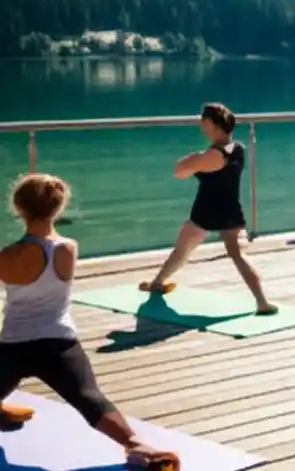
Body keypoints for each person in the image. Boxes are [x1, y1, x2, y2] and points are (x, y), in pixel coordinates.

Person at [1, 174, 180, 469]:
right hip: (59, 341)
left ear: (18, 208)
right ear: (57, 209)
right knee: (90, 398)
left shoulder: (9, 255)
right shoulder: (68, 248)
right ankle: (138, 446)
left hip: (13, 347)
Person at [140, 104, 276, 315]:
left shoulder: (211, 155)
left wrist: (192, 158)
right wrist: (197, 159)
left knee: (182, 250)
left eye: (203, 121)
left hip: (207, 210)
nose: (201, 125)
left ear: (213, 125)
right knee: (236, 254)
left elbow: (179, 171)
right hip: (231, 208)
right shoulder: (238, 149)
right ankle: (262, 301)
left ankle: (157, 282)